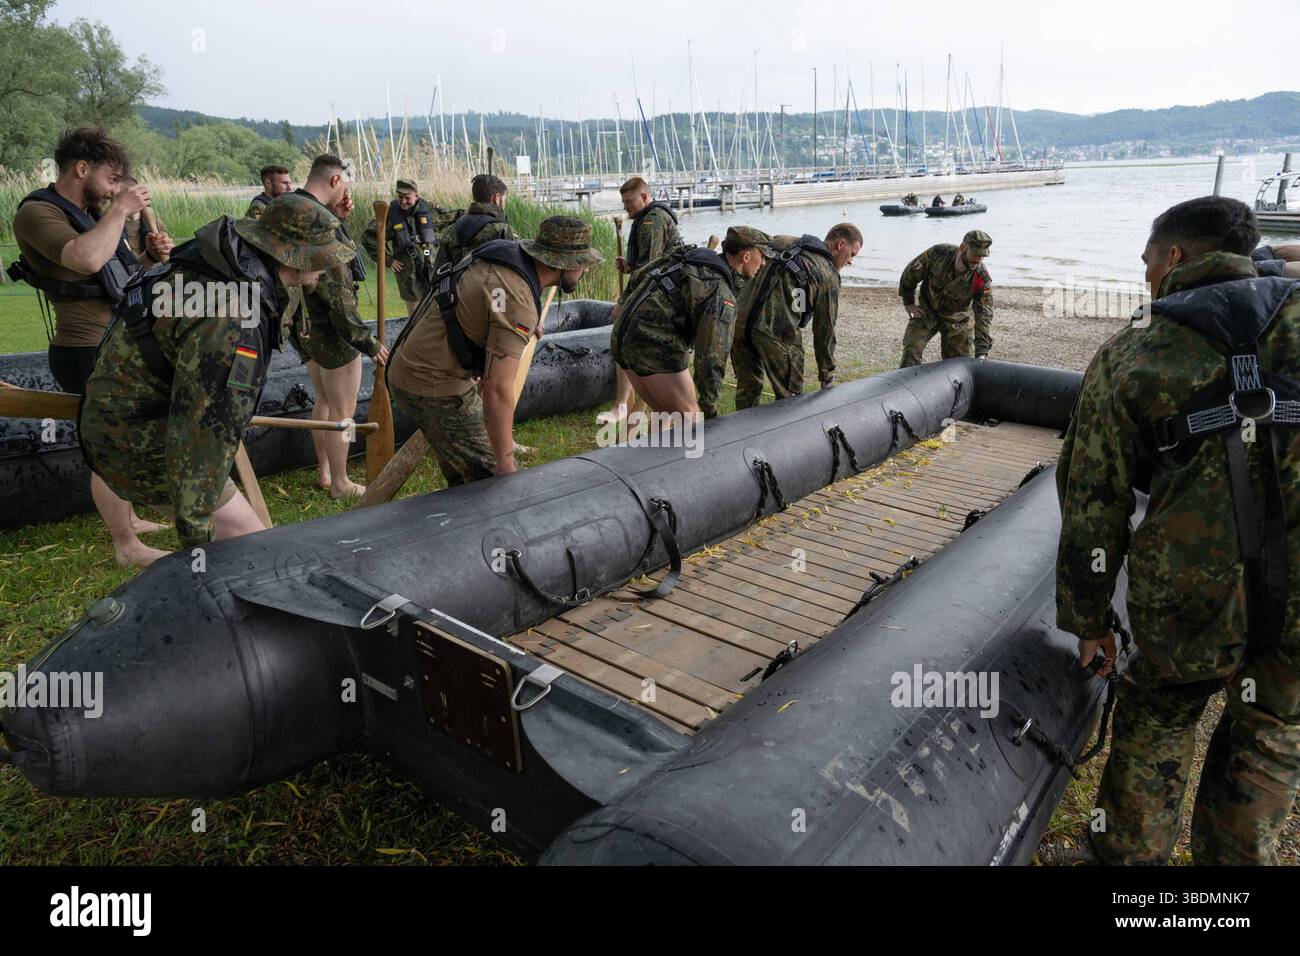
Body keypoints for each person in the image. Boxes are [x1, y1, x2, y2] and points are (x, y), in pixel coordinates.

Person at [1056, 195, 1300, 865]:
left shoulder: (1136, 344)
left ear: (1173, 257)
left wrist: (1089, 617)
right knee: (1270, 738)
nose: (1144, 280)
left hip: (1186, 600)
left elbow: (1090, 498)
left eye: (1146, 265)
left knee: (1156, 725)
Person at [78, 193, 354, 553]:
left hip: (127, 416)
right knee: (254, 552)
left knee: (252, 541)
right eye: (321, 256)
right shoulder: (235, 315)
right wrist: (197, 532)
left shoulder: (220, 264)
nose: (328, 267)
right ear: (292, 256)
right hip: (143, 438)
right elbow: (202, 428)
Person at [9, 126, 174, 566]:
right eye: (113, 178)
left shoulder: (91, 214)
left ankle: (133, 519)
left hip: (118, 338)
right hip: (82, 348)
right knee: (111, 439)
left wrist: (149, 258)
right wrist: (120, 210)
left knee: (129, 429)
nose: (117, 188)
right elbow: (83, 259)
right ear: (82, 168)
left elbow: (114, 277)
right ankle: (126, 546)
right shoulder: (37, 213)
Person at [386, 216, 602, 486]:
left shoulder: (507, 257)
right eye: (582, 263)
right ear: (563, 263)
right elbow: (498, 389)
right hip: (432, 383)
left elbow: (488, 306)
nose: (586, 270)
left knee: (466, 476)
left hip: (414, 366)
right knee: (491, 481)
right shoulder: (517, 297)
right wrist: (505, 461)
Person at [291, 154, 388, 498]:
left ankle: (327, 471)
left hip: (302, 324)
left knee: (325, 401)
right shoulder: (320, 222)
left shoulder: (293, 208)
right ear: (335, 180)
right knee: (343, 411)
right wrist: (369, 342)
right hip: (331, 328)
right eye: (345, 183)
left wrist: (340, 219)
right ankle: (342, 482)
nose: (347, 190)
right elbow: (339, 294)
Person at [610, 226, 769, 420]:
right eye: (762, 257)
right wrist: (709, 410)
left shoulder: (691, 254)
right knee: (691, 419)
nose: (763, 264)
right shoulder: (720, 292)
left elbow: (640, 274)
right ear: (746, 256)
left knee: (664, 414)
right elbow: (711, 357)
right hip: (651, 343)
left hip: (621, 337)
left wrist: (622, 301)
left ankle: (660, 450)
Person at [732, 223, 861, 409]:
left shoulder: (781, 240)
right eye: (852, 254)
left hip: (739, 322)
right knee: (790, 399)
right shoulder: (828, 274)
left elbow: (744, 262)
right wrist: (826, 374)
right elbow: (824, 329)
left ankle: (738, 434)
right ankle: (785, 435)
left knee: (748, 388)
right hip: (776, 331)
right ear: (840, 244)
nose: (850, 261)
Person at [604, 176, 684, 422]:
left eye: (629, 202)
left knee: (626, 338)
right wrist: (629, 266)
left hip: (661, 292)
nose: (626, 208)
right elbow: (647, 264)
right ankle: (628, 405)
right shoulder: (646, 217)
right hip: (661, 287)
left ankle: (625, 406)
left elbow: (650, 268)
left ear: (645, 197)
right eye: (623, 203)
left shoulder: (651, 220)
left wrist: (623, 300)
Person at [897, 230, 994, 367]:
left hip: (958, 320)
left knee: (959, 366)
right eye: (975, 254)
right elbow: (911, 272)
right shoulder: (938, 253)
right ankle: (906, 385)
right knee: (912, 349)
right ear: (963, 248)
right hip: (927, 310)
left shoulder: (981, 278)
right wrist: (908, 301)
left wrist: (981, 351)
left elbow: (984, 314)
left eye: (982, 256)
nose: (978, 260)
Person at [362, 179, 451, 316]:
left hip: (432, 268)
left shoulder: (429, 210)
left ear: (417, 196)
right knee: (415, 315)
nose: (403, 201)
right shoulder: (390, 215)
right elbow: (369, 238)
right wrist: (387, 260)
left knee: (436, 310)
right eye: (400, 197)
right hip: (408, 271)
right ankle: (414, 336)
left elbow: (452, 219)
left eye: (407, 198)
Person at [430, 173, 516, 275]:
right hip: (494, 289)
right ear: (497, 198)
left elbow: (439, 272)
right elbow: (516, 270)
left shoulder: (453, 228)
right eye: (504, 199)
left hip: (460, 289)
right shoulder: (501, 229)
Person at [119, 175, 167, 261]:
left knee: (180, 273)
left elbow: (167, 256)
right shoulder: (111, 226)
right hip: (129, 272)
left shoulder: (156, 224)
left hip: (154, 271)